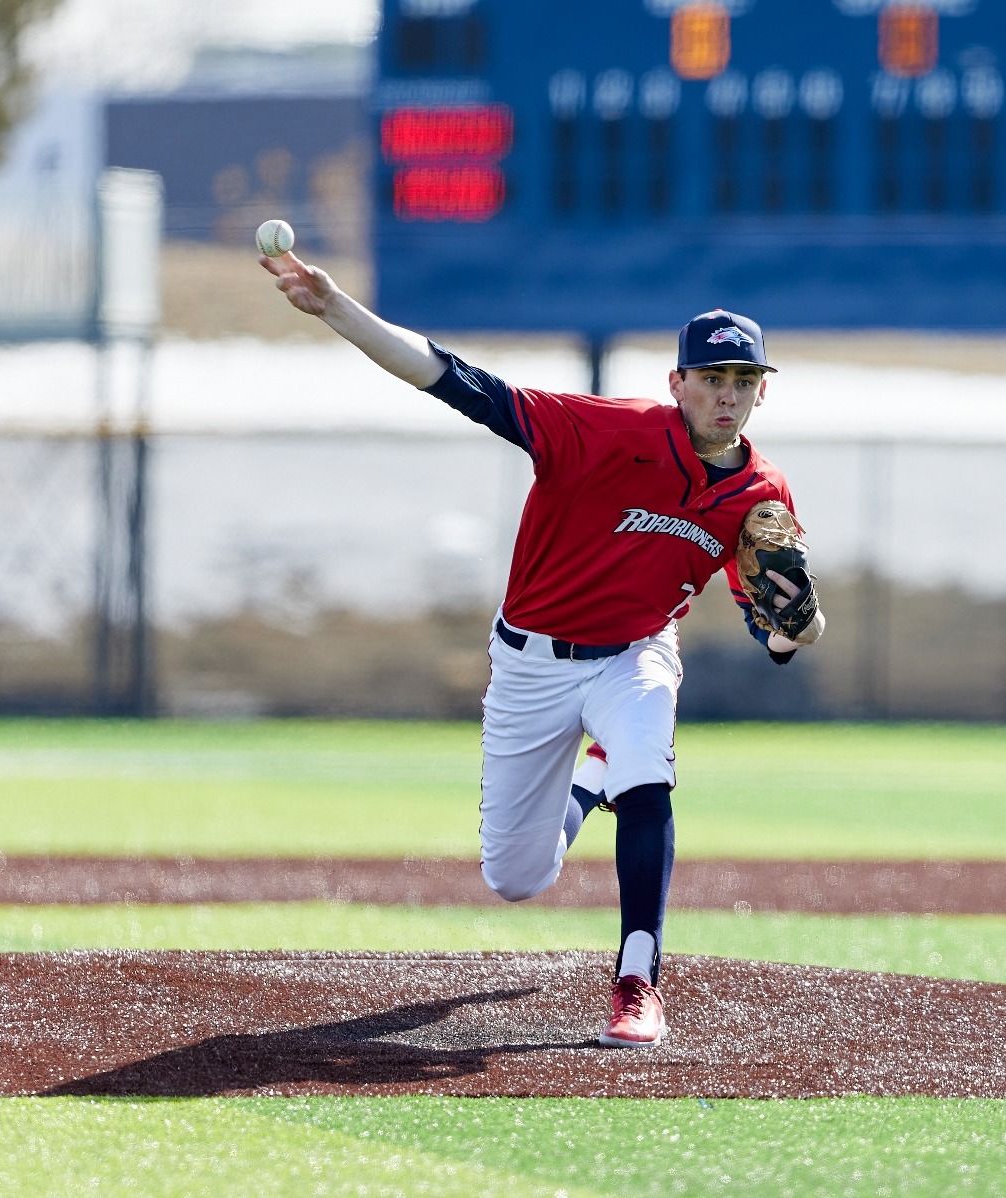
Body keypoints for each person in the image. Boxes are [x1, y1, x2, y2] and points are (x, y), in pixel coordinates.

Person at [261, 248, 825, 1047]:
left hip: (636, 654)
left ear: (763, 389)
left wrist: (795, 627)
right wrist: (338, 310)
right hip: (530, 660)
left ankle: (639, 982)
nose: (726, 396)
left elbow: (770, 633)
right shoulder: (601, 430)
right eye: (711, 379)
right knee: (517, 878)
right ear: (678, 384)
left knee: (650, 779)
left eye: (743, 381)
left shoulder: (761, 495)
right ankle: (589, 781)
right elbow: (455, 381)